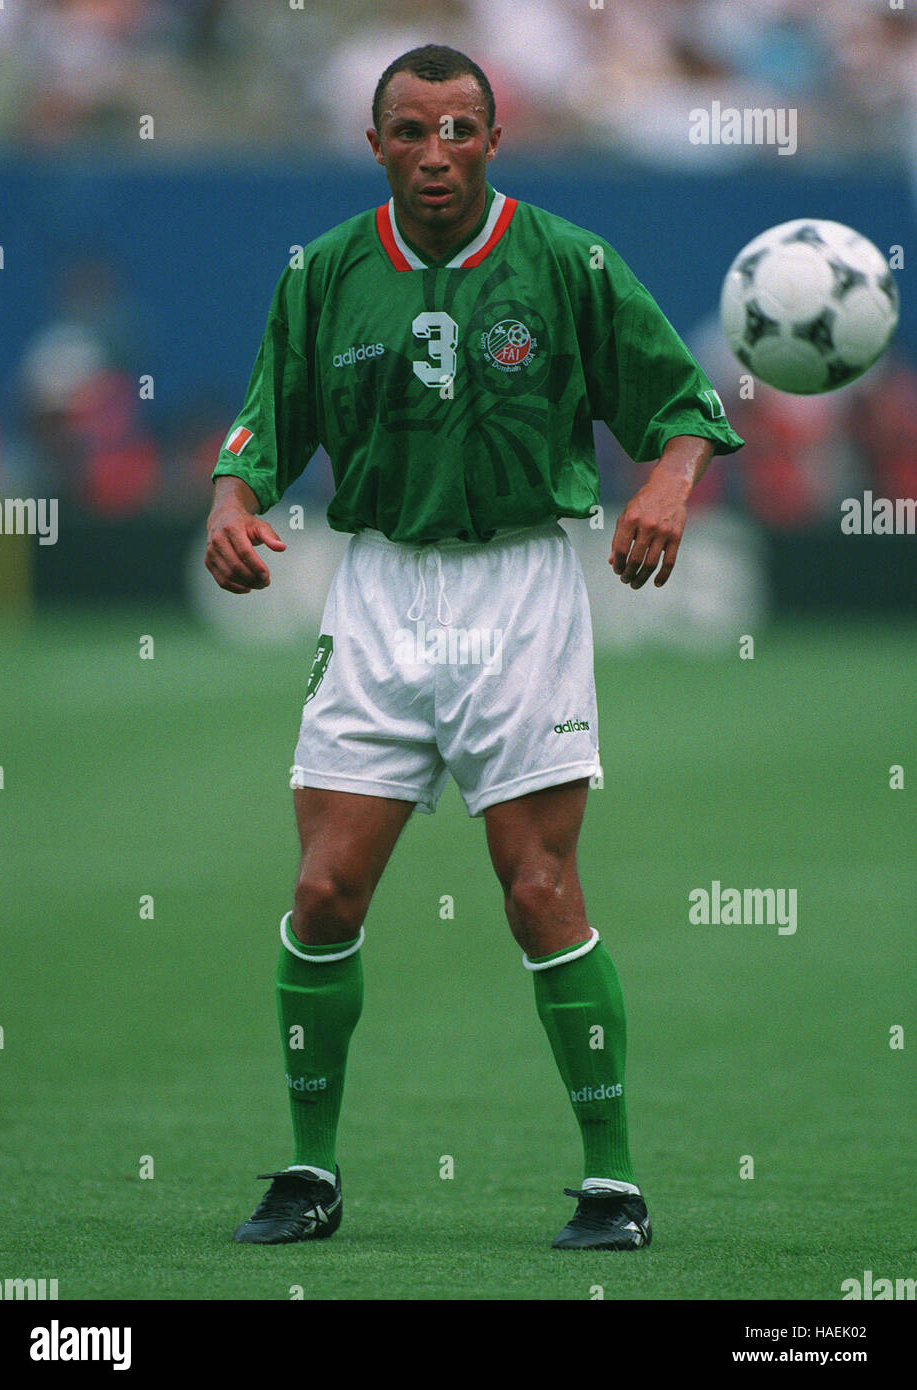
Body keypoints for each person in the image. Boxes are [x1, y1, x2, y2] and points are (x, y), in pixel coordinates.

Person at [205, 44, 744, 1251]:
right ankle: (308, 1172)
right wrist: (231, 501)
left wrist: (667, 478)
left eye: (458, 130)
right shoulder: (327, 271)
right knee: (321, 889)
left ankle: (613, 1185)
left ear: (495, 139)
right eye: (409, 131)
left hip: (518, 589)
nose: (434, 154)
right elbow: (262, 423)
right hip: (380, 591)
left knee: (538, 889)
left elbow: (683, 406)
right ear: (375, 143)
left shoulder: (566, 260)